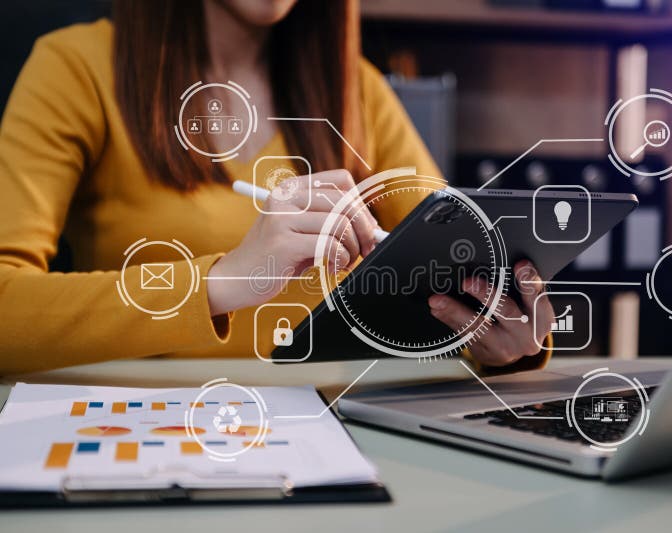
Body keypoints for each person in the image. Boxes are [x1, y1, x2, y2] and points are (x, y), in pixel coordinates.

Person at [0, 0, 553, 375]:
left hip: (345, 433)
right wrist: (223, 281)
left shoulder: (357, 90)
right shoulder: (77, 68)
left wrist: (501, 339)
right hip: (162, 435)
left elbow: (464, 258)